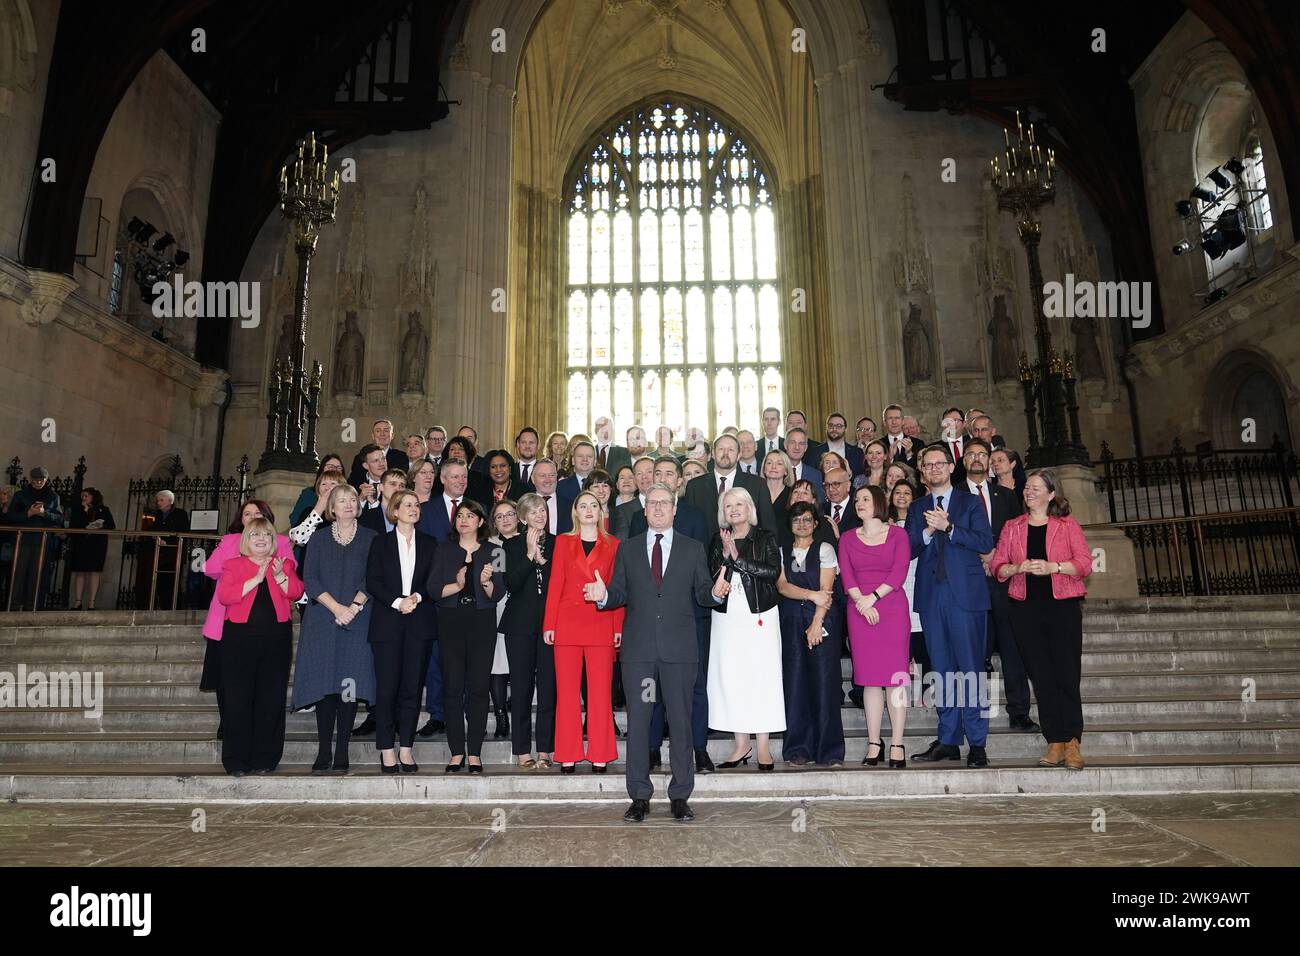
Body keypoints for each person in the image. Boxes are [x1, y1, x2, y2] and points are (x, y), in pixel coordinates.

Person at [587, 483, 725, 822]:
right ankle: (639, 796)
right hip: (640, 654)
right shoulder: (628, 549)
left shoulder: (692, 549)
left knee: (680, 723)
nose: (658, 508)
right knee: (640, 722)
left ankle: (680, 796)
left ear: (675, 509)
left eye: (664, 503)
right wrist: (604, 596)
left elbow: (704, 594)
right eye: (652, 503)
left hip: (679, 653)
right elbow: (618, 592)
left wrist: (718, 593)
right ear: (644, 510)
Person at [989, 471, 1094, 770]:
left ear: (1051, 494)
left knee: (1066, 674)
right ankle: (1055, 741)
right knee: (1041, 675)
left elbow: (1084, 564)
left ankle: (1073, 741)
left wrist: (1054, 567)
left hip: (1062, 607)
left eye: (1036, 488)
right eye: (1026, 488)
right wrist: (1016, 567)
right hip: (1025, 609)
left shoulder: (1067, 525)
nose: (1028, 492)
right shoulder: (1013, 526)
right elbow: (997, 566)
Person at [906, 444, 994, 767]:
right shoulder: (917, 508)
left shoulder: (969, 502)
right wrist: (929, 531)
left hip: (966, 596)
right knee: (941, 671)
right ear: (923, 472)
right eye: (928, 465)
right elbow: (908, 548)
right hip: (932, 598)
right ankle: (948, 739)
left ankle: (978, 742)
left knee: (970, 669)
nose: (934, 469)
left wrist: (951, 528)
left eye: (940, 463)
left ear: (950, 466)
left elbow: (985, 542)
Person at [628, 457, 713, 773]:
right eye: (657, 473)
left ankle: (699, 748)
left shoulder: (695, 516)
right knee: (652, 691)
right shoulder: (640, 519)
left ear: (680, 481)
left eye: (668, 474)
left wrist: (712, 595)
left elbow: (699, 572)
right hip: (650, 623)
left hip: (689, 617)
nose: (662, 477)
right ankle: (651, 747)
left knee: (694, 689)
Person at [292, 484, 377, 774]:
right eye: (341, 500)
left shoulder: (371, 538)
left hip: (359, 619)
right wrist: (337, 608)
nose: (348, 504)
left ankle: (342, 750)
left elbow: (373, 578)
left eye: (353, 499)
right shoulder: (317, 539)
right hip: (323, 620)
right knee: (326, 685)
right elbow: (310, 579)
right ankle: (324, 749)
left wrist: (352, 607)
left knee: (348, 686)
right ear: (332, 507)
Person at [214, 518, 304, 775]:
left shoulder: (284, 563)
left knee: (271, 698)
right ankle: (236, 760)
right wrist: (256, 578)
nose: (261, 539)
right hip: (238, 641)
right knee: (238, 699)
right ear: (246, 540)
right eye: (255, 535)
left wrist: (279, 577)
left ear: (273, 539)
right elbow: (225, 596)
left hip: (276, 640)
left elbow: (297, 591)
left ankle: (266, 758)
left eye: (266, 534)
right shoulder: (233, 565)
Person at [543, 491, 623, 773]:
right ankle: (568, 752)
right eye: (583, 506)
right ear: (575, 512)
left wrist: (617, 626)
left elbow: (617, 588)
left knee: (600, 693)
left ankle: (600, 752)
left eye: (594, 506)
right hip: (567, 623)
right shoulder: (563, 542)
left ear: (602, 512)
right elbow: (555, 583)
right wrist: (549, 624)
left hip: (601, 622)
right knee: (566, 693)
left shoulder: (614, 545)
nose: (589, 510)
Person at [202, 500, 293, 741]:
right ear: (240, 519)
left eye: (258, 513)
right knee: (228, 679)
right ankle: (229, 723)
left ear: (268, 517)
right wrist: (245, 551)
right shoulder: (230, 542)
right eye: (247, 514)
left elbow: (290, 580)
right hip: (228, 616)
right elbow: (210, 569)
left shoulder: (281, 542)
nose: (252, 516)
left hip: (269, 623)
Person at [964, 439, 1037, 733]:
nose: (978, 459)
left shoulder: (1006, 496)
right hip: (970, 581)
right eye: (971, 454)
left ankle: (1019, 711)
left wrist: (996, 557)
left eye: (983, 454)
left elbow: (1018, 535)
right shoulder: (954, 496)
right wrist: (981, 554)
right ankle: (974, 712)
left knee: (1012, 648)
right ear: (964, 460)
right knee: (973, 650)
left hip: (1004, 581)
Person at [707, 487, 783, 770]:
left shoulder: (765, 537)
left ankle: (763, 745)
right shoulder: (718, 539)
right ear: (722, 512)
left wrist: (738, 558)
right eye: (728, 506)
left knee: (761, 678)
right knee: (732, 678)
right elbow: (711, 575)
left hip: (759, 615)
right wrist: (726, 556)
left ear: (749, 507)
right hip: (727, 617)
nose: (734, 509)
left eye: (739, 504)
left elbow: (772, 573)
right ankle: (741, 744)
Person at [429, 498, 504, 773]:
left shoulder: (496, 551)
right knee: (452, 687)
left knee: (478, 688)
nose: (464, 520)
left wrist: (485, 582)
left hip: (482, 621)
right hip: (450, 620)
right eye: (460, 515)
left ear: (481, 521)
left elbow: (498, 593)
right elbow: (434, 589)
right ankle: (456, 751)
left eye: (470, 516)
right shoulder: (443, 549)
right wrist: (458, 584)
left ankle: (475, 752)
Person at [366, 489, 437, 773]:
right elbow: (373, 580)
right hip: (387, 623)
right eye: (407, 504)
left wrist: (416, 598)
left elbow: (433, 580)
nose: (413, 508)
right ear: (394, 511)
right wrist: (398, 602)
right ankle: (386, 749)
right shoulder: (379, 543)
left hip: (418, 623)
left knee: (411, 689)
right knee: (386, 690)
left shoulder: (430, 544)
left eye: (416, 505)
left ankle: (406, 747)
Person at [840, 485, 912, 768]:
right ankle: (873, 743)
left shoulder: (898, 534)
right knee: (869, 680)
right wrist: (862, 602)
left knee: (894, 679)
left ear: (880, 503)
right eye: (857, 500)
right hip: (859, 611)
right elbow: (847, 575)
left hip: (890, 608)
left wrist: (873, 598)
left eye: (866, 499)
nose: (859, 503)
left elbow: (899, 572)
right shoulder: (847, 538)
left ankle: (896, 742)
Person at [777, 501, 845, 766]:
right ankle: (798, 749)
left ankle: (829, 751)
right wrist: (809, 595)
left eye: (807, 519)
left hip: (822, 620)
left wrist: (817, 624)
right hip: (791, 620)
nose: (802, 524)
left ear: (816, 523)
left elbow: (826, 591)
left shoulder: (825, 549)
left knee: (825, 684)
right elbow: (782, 587)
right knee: (795, 685)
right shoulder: (782, 552)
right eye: (797, 520)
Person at [501, 492, 558, 767]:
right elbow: (511, 584)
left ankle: (546, 750)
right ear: (522, 518)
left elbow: (561, 584)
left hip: (551, 626)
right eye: (534, 512)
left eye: (543, 511)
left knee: (548, 688)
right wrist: (528, 554)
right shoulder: (509, 546)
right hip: (519, 626)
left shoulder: (559, 544)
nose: (540, 516)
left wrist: (544, 561)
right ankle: (523, 750)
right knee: (521, 689)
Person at [684, 433, 777, 531]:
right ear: (713, 454)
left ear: (738, 455)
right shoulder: (694, 486)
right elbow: (689, 525)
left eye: (731, 450)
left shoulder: (757, 485)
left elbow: (769, 526)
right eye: (721, 449)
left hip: (745, 545)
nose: (725, 453)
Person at [888, 481, 929, 700]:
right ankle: (899, 688)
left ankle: (925, 689)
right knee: (898, 636)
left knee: (919, 633)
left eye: (907, 492)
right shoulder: (884, 522)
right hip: (893, 583)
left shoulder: (922, 522)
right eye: (898, 492)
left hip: (916, 578)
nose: (902, 496)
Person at [487, 500, 519, 741]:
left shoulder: (530, 541)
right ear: (494, 523)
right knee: (498, 664)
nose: (506, 519)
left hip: (524, 609)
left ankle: (518, 713)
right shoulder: (492, 547)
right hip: (497, 607)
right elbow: (500, 579)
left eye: (510, 514)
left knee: (520, 665)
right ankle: (500, 716)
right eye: (500, 516)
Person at [67, 488, 115, 610]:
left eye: (86, 496)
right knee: (80, 572)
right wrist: (85, 511)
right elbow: (74, 526)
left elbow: (111, 525)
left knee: (94, 572)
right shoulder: (77, 509)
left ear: (93, 497)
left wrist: (99, 526)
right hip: (81, 544)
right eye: (82, 496)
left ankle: (91, 603)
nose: (83, 498)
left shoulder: (103, 509)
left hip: (97, 545)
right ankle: (78, 602)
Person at [150, 490, 189, 610]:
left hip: (174, 554)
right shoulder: (158, 514)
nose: (158, 503)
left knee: (173, 584)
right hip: (160, 555)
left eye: (161, 500)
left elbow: (183, 532)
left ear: (170, 501)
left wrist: (167, 542)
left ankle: (174, 609)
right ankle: (162, 607)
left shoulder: (180, 514)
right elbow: (153, 530)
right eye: (158, 500)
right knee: (160, 584)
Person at [348, 420, 409, 487]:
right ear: (373, 436)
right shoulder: (359, 458)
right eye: (378, 431)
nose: (382, 434)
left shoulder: (402, 457)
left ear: (392, 436)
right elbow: (353, 483)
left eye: (386, 431)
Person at [610, 456, 654, 538]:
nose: (644, 476)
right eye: (639, 473)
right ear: (635, 479)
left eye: (649, 472)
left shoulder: (670, 504)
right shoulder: (621, 511)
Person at [810, 412, 865, 477]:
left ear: (845, 429)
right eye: (831, 425)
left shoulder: (857, 453)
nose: (834, 429)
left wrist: (849, 473)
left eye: (839, 426)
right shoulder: (814, 452)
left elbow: (861, 479)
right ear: (826, 428)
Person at [530, 458, 573, 535]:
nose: (547, 480)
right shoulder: (524, 505)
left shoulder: (571, 506)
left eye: (552, 475)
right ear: (533, 479)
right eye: (542, 476)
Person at [783, 428, 823, 499]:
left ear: (806, 448)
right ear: (785, 445)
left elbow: (819, 503)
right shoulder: (776, 472)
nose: (797, 447)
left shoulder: (816, 475)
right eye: (793, 442)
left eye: (801, 443)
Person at [762, 449, 794, 530]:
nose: (773, 467)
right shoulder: (755, 493)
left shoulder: (793, 494)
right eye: (769, 463)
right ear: (764, 469)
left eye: (779, 464)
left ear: (786, 471)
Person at [822, 467, 860, 534]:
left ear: (848, 485)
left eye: (836, 484)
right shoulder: (820, 510)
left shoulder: (858, 509)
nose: (830, 489)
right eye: (827, 485)